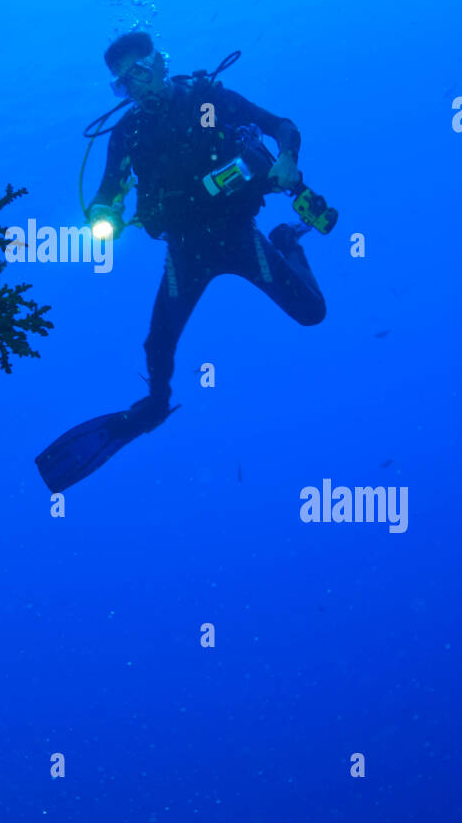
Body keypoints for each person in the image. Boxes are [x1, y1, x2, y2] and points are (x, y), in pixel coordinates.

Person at [35, 31, 326, 492]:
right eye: (124, 80)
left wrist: (288, 158)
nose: (137, 83)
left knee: (312, 314)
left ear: (162, 62)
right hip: (185, 252)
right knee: (157, 345)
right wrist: (104, 214)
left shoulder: (207, 100)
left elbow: (281, 125)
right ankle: (154, 405)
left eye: (142, 68)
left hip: (239, 236)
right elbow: (108, 191)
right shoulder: (127, 132)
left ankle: (287, 240)